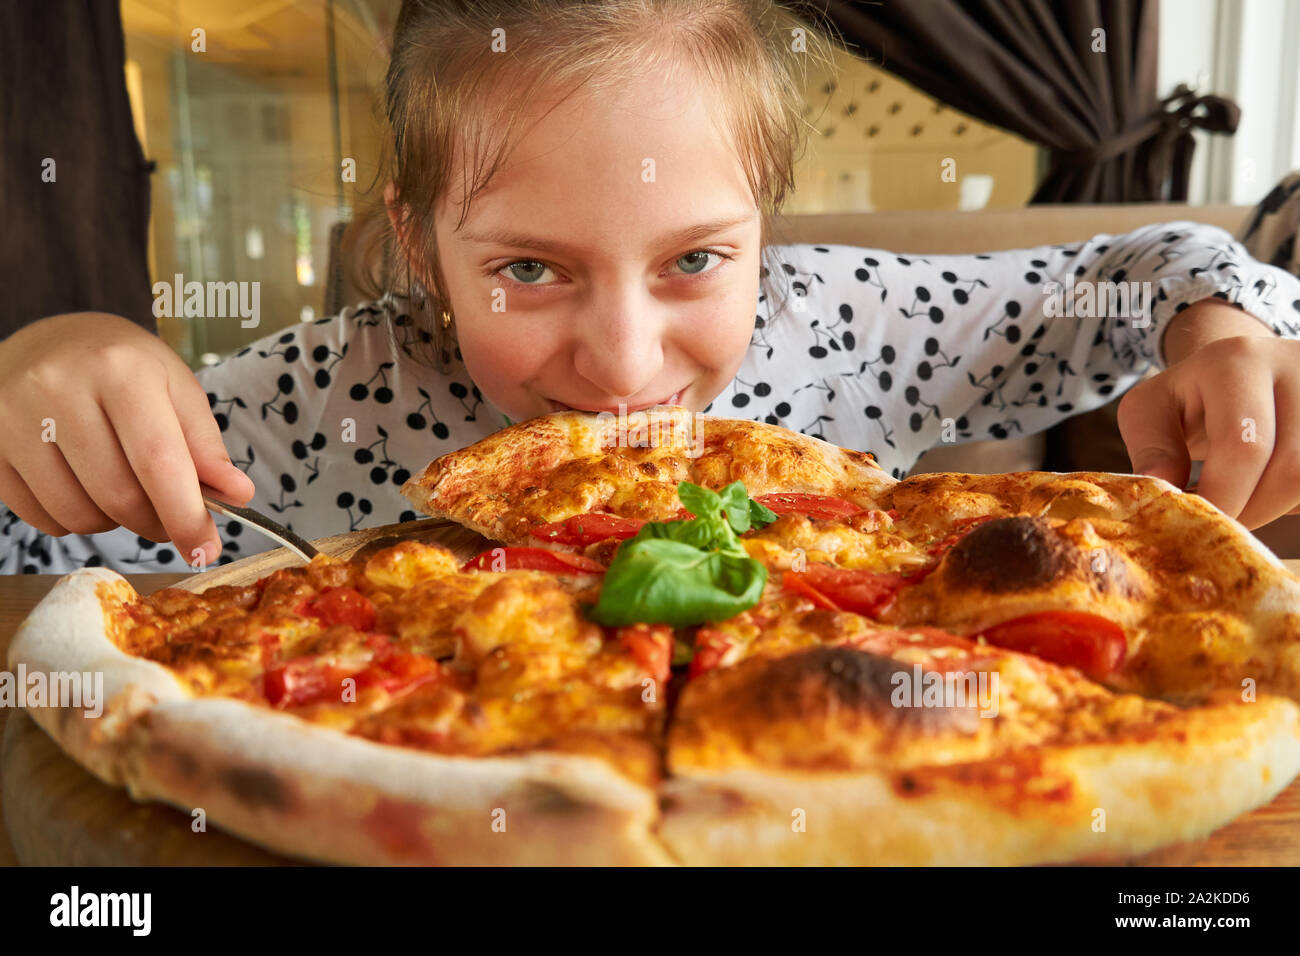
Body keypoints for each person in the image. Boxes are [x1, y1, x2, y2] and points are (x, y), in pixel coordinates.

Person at [2, 0, 1299, 575]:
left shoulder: (850, 324)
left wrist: (1226, 323)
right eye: (527, 269)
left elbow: (1136, 272)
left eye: (695, 259)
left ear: (765, 227)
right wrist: (44, 378)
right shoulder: (313, 399)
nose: (624, 367)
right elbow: (40, 536)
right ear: (415, 243)